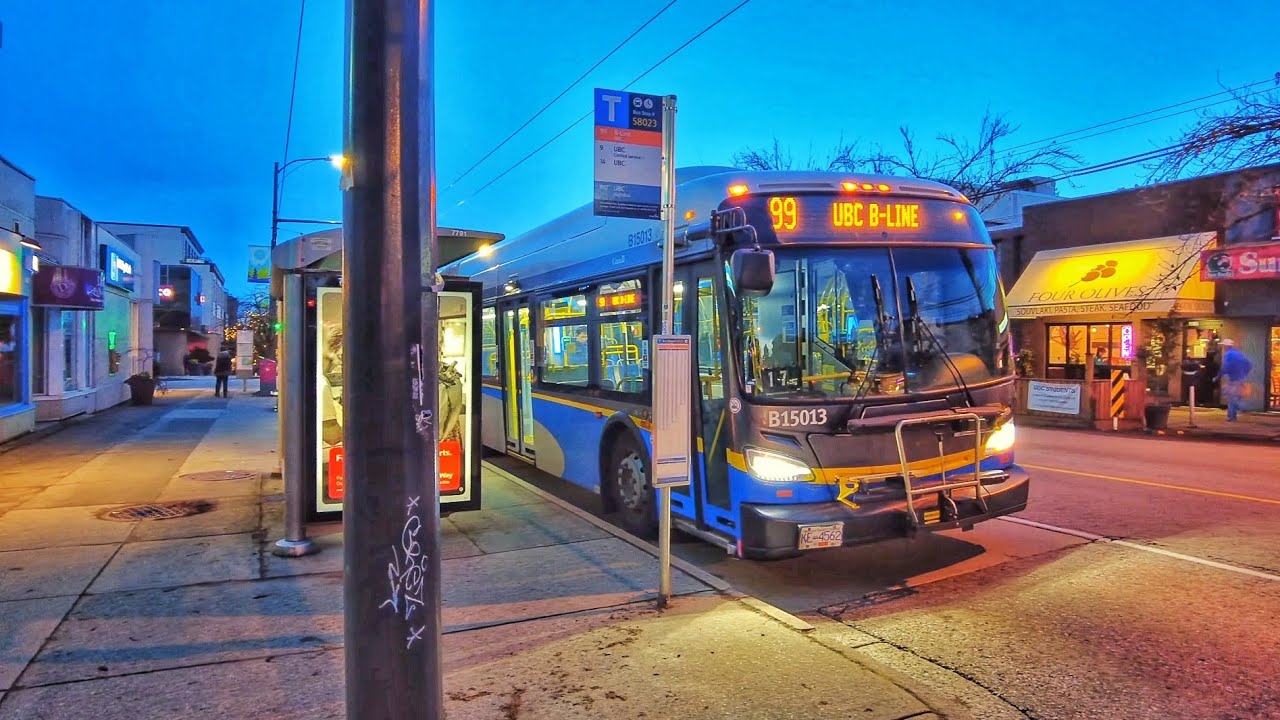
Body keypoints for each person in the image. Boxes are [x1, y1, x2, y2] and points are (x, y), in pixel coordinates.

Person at [1216, 339, 1253, 422]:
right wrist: (1244, 373)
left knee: (1231, 397)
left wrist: (1218, 376)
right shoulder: (1239, 354)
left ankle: (1242, 408)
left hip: (1233, 379)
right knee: (1235, 397)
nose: (1223, 347)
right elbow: (1249, 364)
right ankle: (1232, 417)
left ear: (1226, 346)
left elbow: (1225, 367)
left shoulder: (1228, 355)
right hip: (1241, 378)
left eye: (1223, 346)